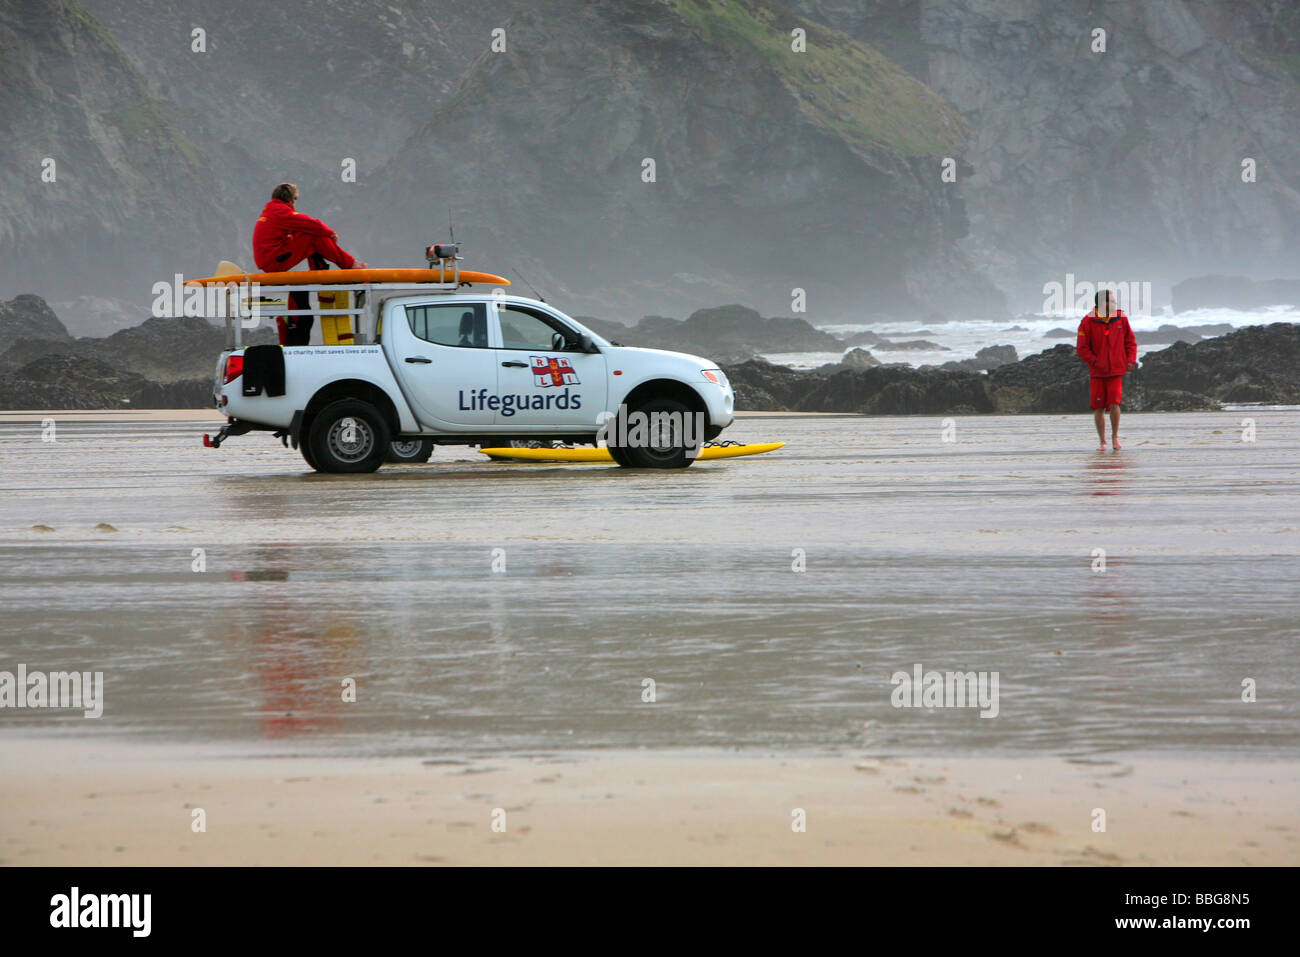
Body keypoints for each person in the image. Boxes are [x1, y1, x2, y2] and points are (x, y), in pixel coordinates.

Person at [252, 183, 367, 345]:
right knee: (313, 236)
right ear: (291, 200)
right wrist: (330, 233)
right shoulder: (281, 211)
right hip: (274, 261)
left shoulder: (272, 210)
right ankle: (350, 264)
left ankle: (327, 270)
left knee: (310, 234)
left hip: (271, 258)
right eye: (296, 199)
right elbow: (311, 224)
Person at [1076, 288, 1138, 450]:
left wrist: (1130, 360)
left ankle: (1115, 438)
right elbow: (1082, 348)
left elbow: (1130, 342)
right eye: (1111, 301)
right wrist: (1094, 361)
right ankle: (1102, 441)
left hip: (1116, 370)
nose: (1114, 303)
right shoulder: (1087, 321)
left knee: (1115, 404)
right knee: (1098, 407)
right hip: (1097, 372)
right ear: (1103, 303)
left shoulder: (1121, 318)